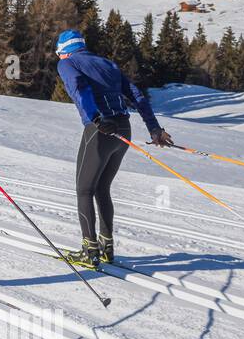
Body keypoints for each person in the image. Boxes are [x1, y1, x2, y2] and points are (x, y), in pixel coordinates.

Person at [55, 29, 174, 267]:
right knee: (102, 188)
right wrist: (154, 129)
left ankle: (90, 251)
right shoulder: (107, 63)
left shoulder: (67, 64)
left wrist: (97, 119)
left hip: (100, 130)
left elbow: (80, 90)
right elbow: (136, 95)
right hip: (123, 129)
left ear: (63, 52)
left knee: (84, 190)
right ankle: (106, 247)